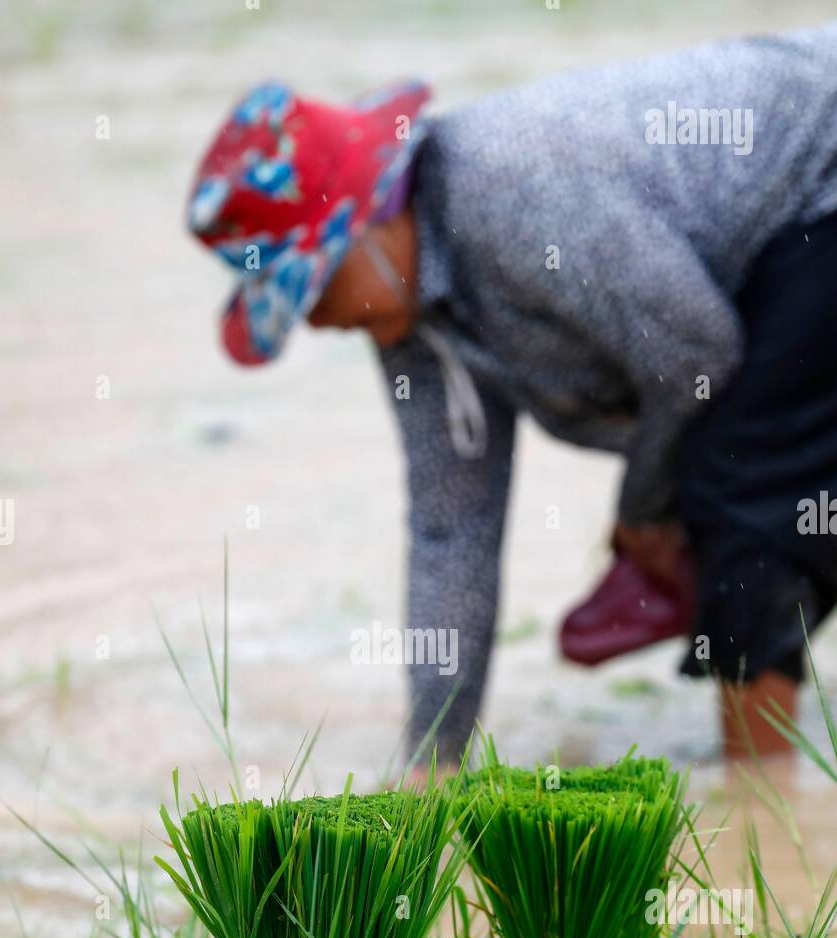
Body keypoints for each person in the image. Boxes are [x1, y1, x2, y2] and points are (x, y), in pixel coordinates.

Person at [187, 27, 837, 769]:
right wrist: (433, 766)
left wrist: (643, 511)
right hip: (761, 268)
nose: (316, 320)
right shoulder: (413, 330)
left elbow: (694, 352)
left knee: (740, 485)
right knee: (741, 477)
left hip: (821, 183)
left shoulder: (508, 189)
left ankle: (763, 819)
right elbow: (449, 537)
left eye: (314, 289)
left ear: (372, 221)